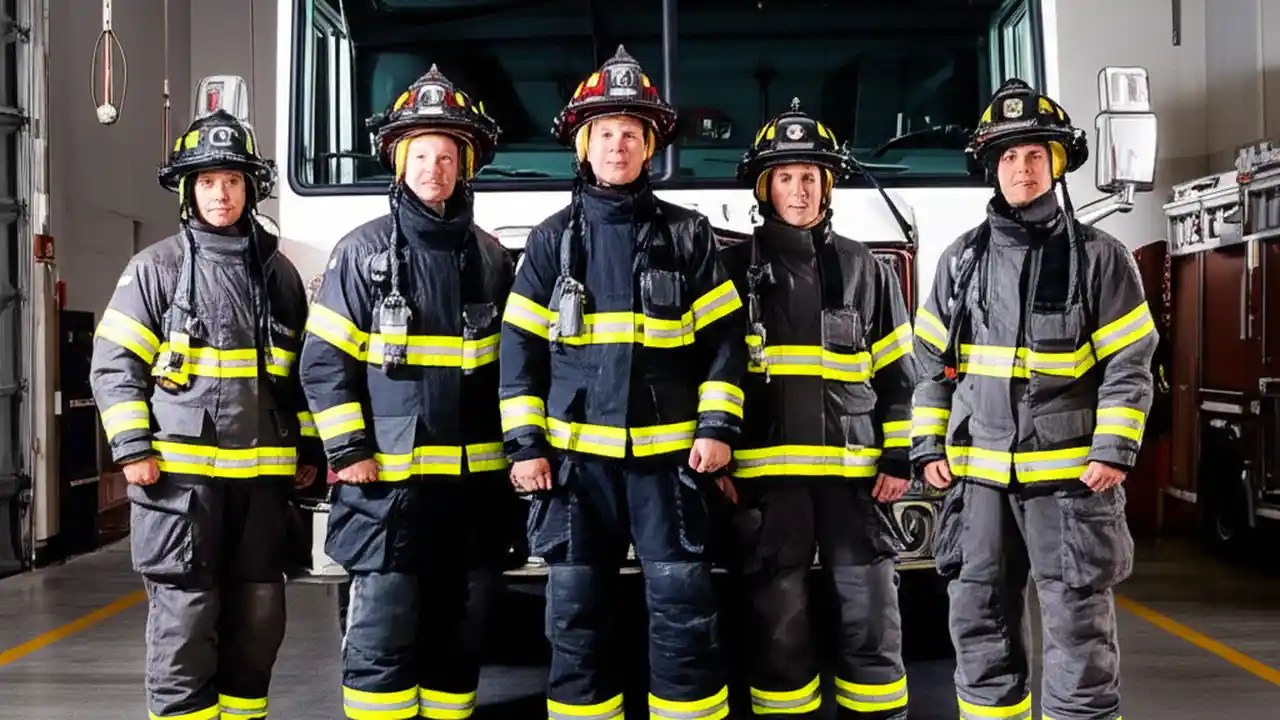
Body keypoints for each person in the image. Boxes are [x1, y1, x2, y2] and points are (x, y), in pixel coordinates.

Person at [500, 45, 746, 719]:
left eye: (631, 134)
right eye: (605, 133)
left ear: (649, 148)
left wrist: (717, 429)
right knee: (576, 612)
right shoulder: (551, 241)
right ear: (586, 144)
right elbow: (518, 347)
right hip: (576, 468)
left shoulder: (689, 236)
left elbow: (725, 342)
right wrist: (526, 446)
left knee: (684, 604)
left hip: (670, 465)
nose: (618, 145)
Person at [912, 78, 1156, 720]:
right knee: (979, 624)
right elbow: (930, 367)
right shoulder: (960, 260)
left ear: (1057, 163)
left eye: (1035, 155)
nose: (1023, 168)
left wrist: (1113, 449)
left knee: (1080, 632)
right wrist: (928, 446)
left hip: (1073, 483)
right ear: (992, 166)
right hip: (979, 485)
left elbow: (1131, 366)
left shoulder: (1102, 259)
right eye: (1010, 156)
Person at [299, 65, 513, 720]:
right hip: (387, 488)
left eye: (447, 156)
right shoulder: (361, 253)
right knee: (382, 631)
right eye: (420, 154)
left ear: (465, 166)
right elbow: (323, 361)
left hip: (474, 491)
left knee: (462, 631)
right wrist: (350, 449)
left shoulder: (491, 257)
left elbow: (518, 368)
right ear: (398, 161)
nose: (434, 168)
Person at [90, 108, 318, 720]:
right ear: (189, 191)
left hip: (264, 488)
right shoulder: (155, 269)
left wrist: (313, 452)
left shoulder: (280, 277)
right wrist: (134, 447)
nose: (222, 194)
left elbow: (305, 376)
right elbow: (114, 364)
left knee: (259, 618)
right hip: (179, 489)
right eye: (208, 181)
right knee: (185, 623)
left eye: (233, 181)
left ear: (251, 188)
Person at [717, 98, 915, 719]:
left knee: (871, 613)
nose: (799, 190)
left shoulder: (867, 268)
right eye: (785, 177)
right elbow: (713, 375)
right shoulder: (730, 270)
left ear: (827, 185)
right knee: (780, 621)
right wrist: (717, 457)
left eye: (810, 176)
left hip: (857, 481)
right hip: (768, 483)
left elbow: (899, 376)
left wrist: (901, 452)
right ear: (764, 187)